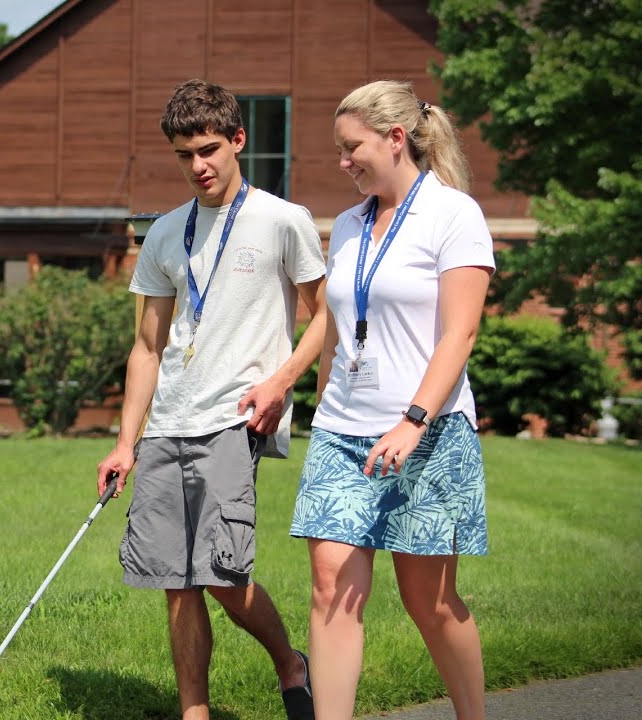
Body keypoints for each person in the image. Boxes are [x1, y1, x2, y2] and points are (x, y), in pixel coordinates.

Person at [96, 78, 327, 720]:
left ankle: (291, 664)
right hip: (168, 421)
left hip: (236, 419)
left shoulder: (284, 221)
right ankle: (194, 712)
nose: (197, 166)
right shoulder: (165, 234)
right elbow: (147, 348)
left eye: (208, 150)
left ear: (237, 141)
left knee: (222, 575)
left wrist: (281, 383)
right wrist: (125, 442)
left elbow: (324, 319)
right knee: (175, 581)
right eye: (183, 155)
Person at [289, 79, 495, 720]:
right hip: (343, 430)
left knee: (428, 602)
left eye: (352, 148)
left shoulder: (453, 215)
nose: (343, 161)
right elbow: (339, 316)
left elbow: (459, 332)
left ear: (396, 138)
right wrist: (313, 391)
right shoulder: (349, 224)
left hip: (426, 434)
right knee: (329, 589)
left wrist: (413, 420)